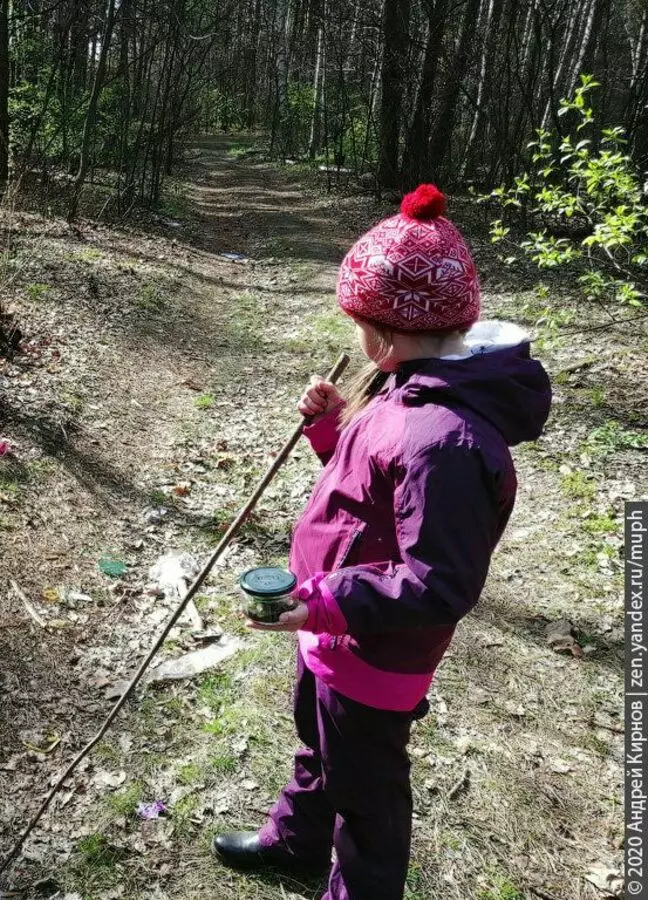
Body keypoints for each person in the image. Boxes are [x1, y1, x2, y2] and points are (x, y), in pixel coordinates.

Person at [212, 184, 552, 898]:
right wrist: (331, 426)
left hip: (371, 646)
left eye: (358, 322)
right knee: (319, 745)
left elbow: (437, 581)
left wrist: (326, 601)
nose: (356, 339)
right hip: (334, 632)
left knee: (366, 792)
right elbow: (367, 488)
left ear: (385, 331)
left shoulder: (445, 440)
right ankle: (296, 844)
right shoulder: (409, 388)